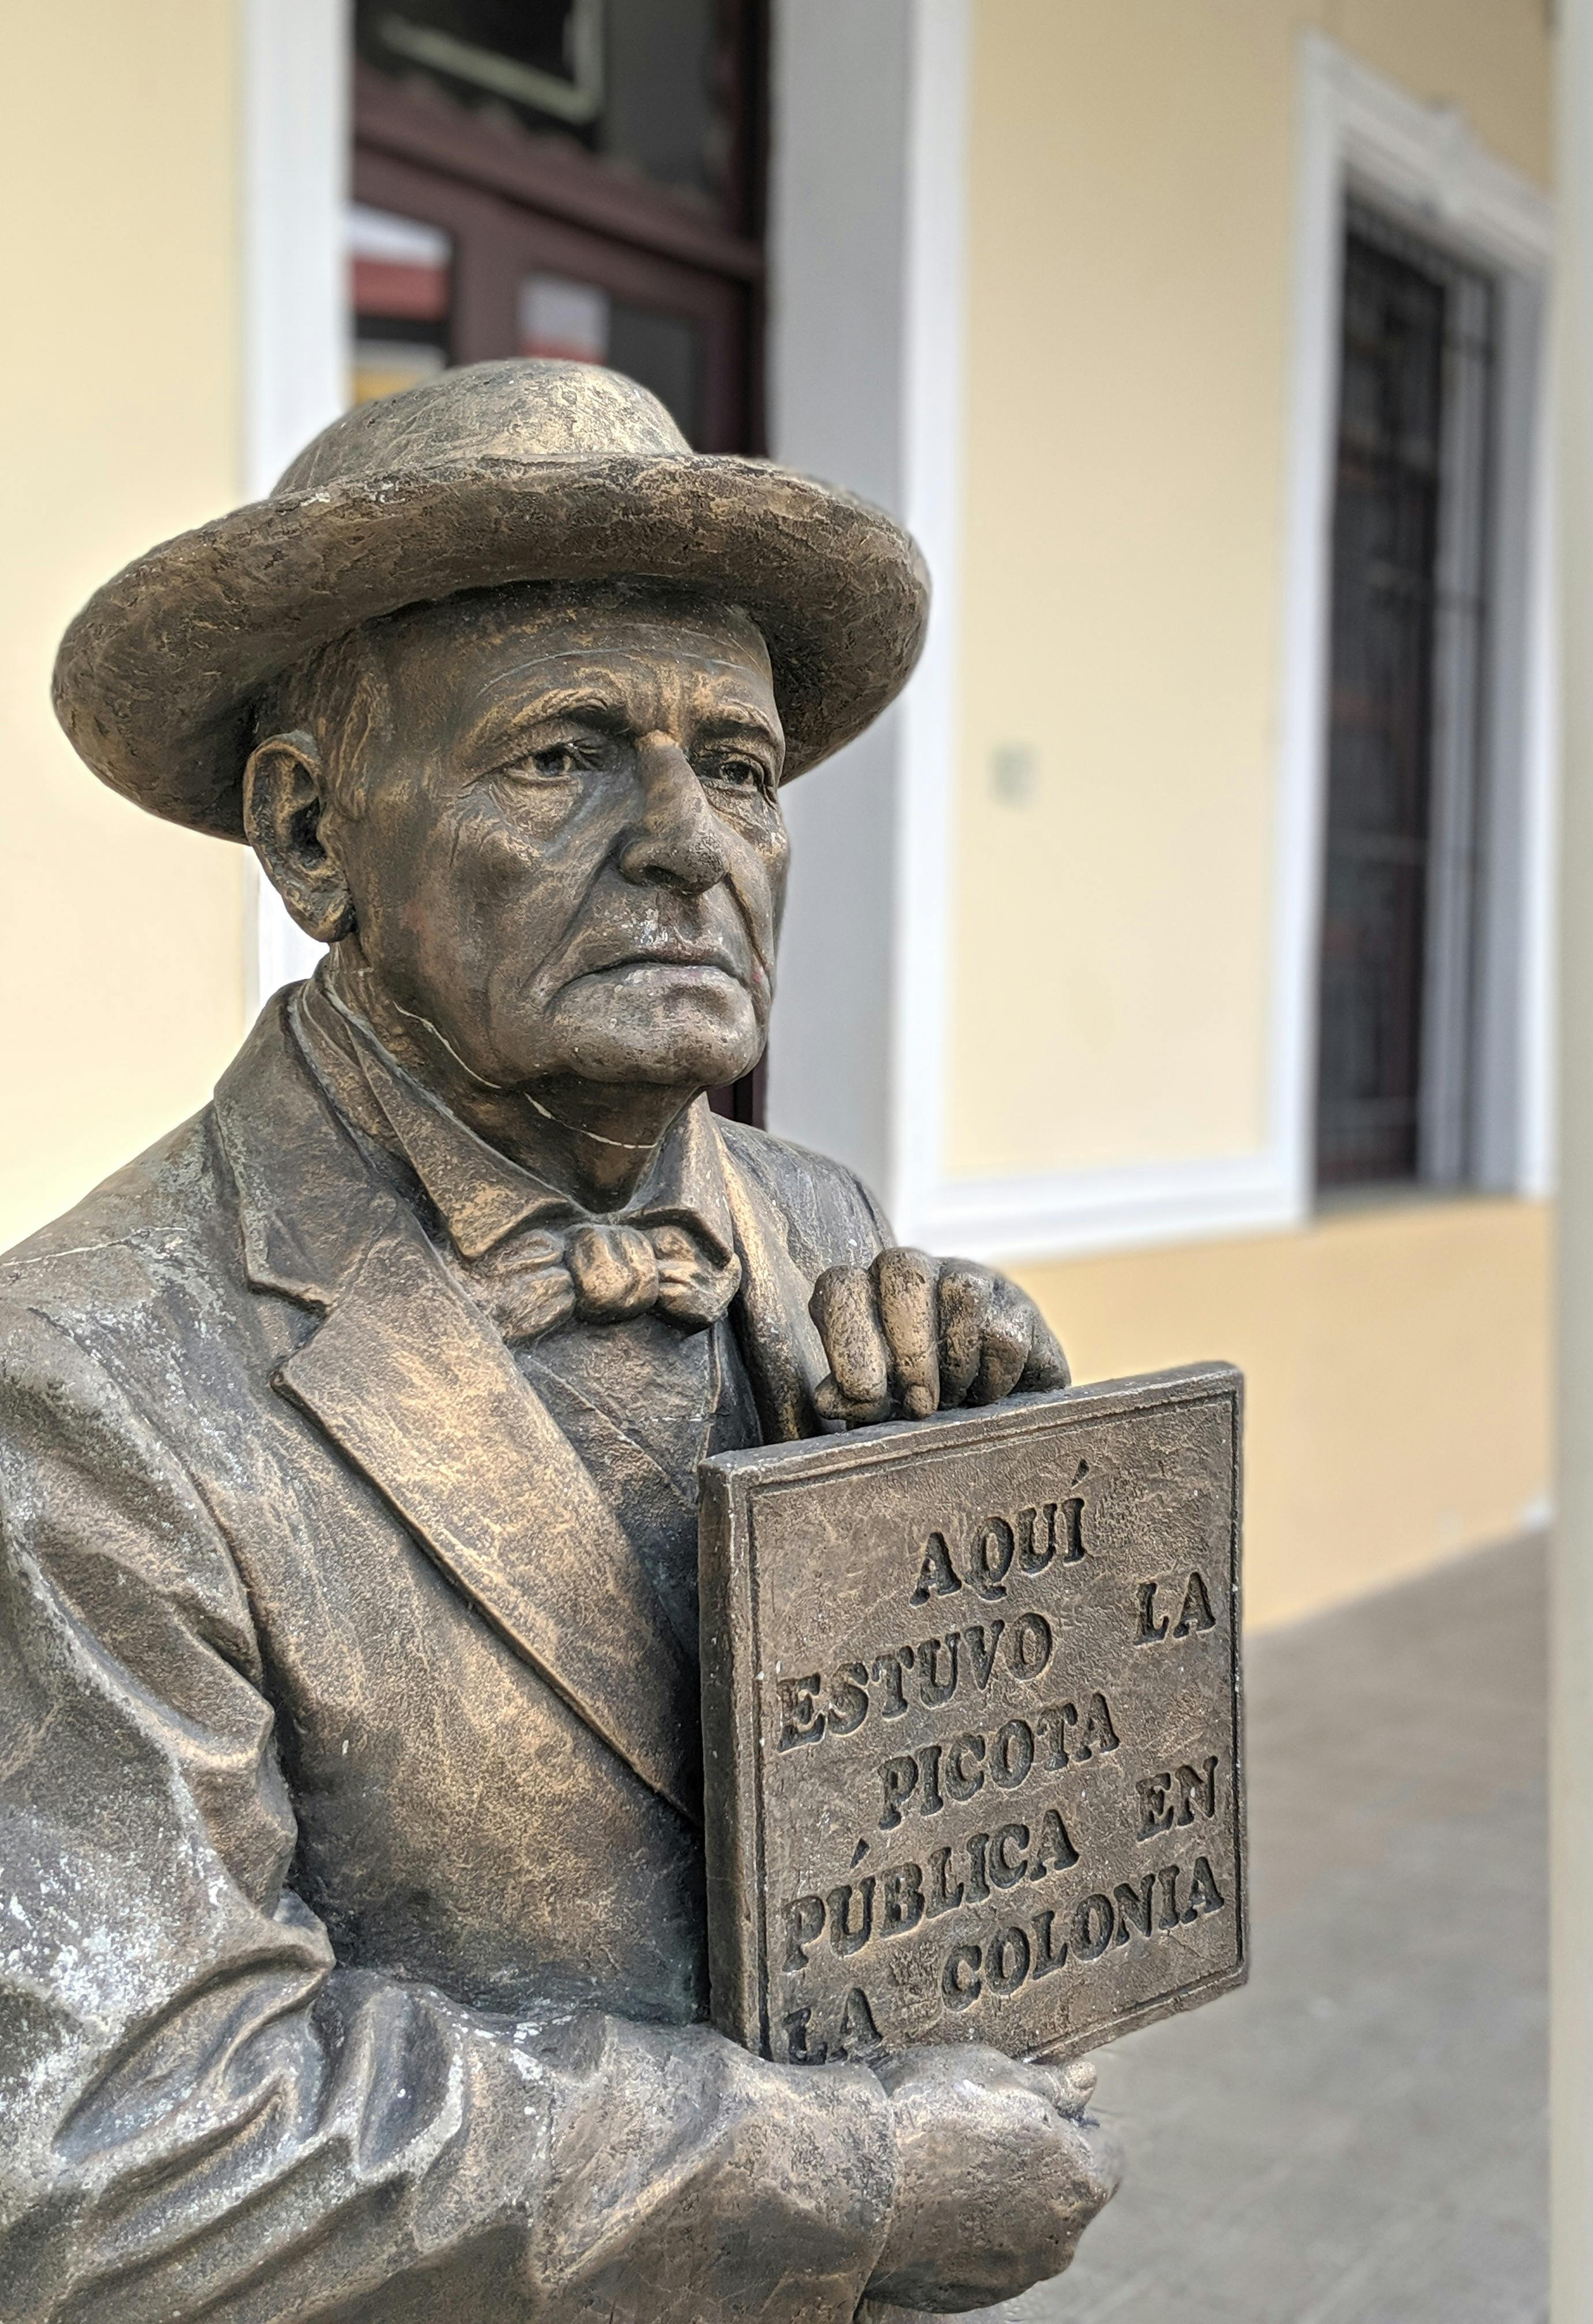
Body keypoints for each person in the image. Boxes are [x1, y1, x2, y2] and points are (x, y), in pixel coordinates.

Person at [0, 360, 1119, 2323]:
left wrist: (983, 1498)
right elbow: (122, 2155)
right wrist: (858, 2180)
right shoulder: (88, 1387)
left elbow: (963, 1845)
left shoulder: (822, 1228)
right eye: (565, 756)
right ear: (313, 834)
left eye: (745, 770)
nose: (693, 844)